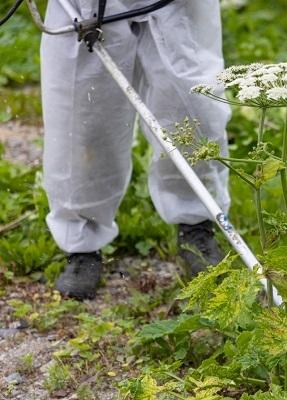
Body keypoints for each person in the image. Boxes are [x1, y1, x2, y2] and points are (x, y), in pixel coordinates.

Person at [41, 0, 231, 299]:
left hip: (178, 5)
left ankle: (197, 222)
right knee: (85, 118)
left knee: (195, 107)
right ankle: (82, 244)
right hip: (88, 6)